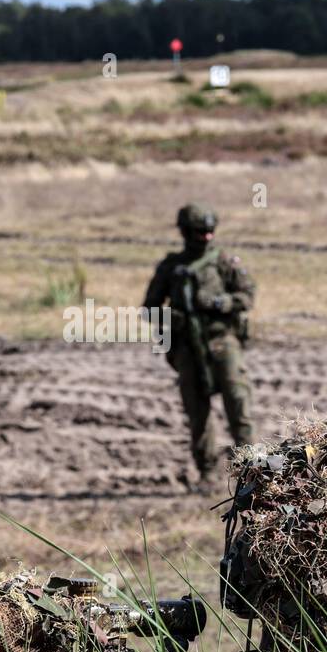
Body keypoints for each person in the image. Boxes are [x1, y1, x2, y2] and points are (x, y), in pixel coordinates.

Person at [143, 204, 257, 486]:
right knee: (197, 413)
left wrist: (221, 303)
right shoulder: (172, 267)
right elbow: (149, 309)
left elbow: (247, 295)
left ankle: (252, 471)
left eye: (209, 231)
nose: (206, 237)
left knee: (238, 402)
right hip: (188, 347)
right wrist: (175, 319)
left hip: (222, 341)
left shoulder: (224, 262)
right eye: (199, 232)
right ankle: (206, 472)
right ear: (185, 232)